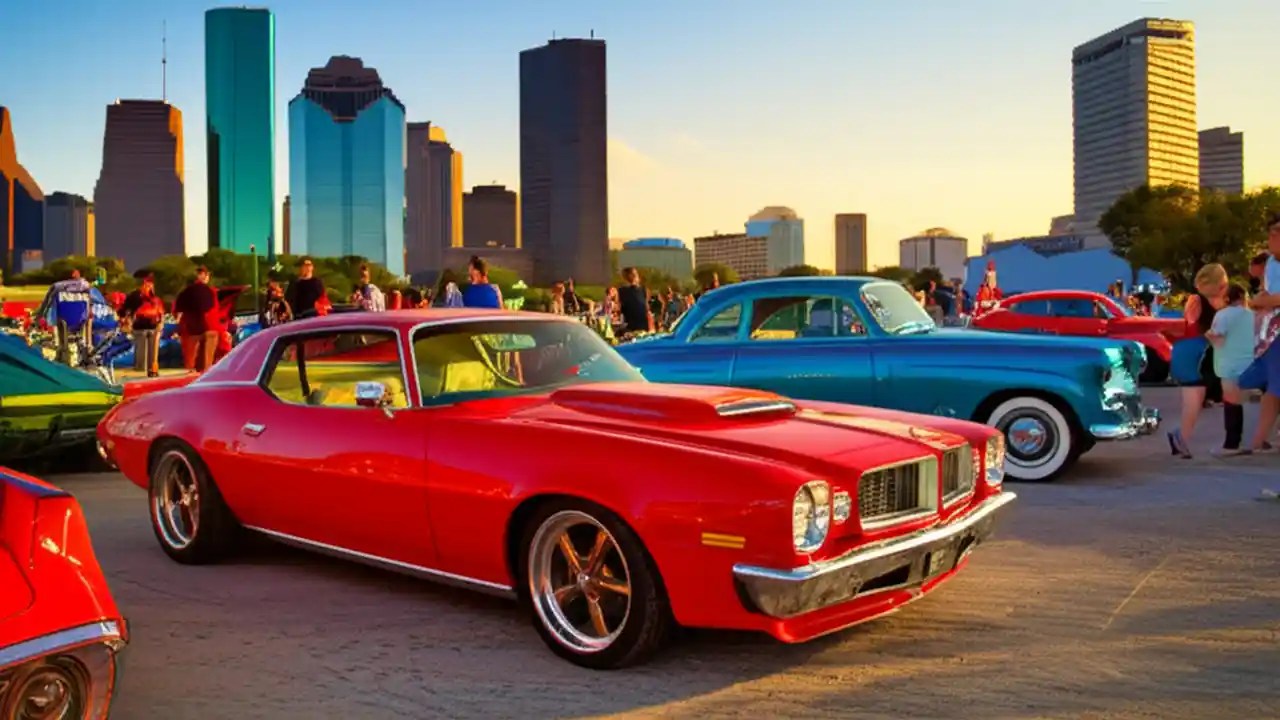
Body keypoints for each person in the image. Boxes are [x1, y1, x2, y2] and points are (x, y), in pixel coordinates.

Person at [1167, 263, 1230, 458]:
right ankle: (1181, 438)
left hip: (1190, 351)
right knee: (1194, 400)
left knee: (1194, 399)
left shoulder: (1201, 300)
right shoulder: (1206, 302)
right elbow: (1197, 325)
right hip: (1195, 352)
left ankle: (1180, 436)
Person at [1206, 284, 1256, 456]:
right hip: (1250, 363)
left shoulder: (1223, 315)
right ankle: (1256, 440)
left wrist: (1208, 336)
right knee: (1250, 402)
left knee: (1232, 403)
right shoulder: (1252, 315)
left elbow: (1217, 337)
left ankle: (1232, 444)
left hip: (1229, 365)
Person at [1247, 214, 1280, 454]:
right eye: (1271, 232)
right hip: (1271, 334)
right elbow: (1262, 295)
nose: (1273, 237)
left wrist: (1266, 300)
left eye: (1277, 232)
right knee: (1273, 386)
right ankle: (1259, 439)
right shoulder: (1271, 264)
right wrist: (1261, 300)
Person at [36, 269, 94, 365]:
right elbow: (91, 302)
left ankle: (62, 348)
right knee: (89, 316)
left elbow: (47, 302)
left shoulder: (57, 286)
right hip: (81, 319)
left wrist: (40, 315)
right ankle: (89, 347)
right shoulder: (85, 285)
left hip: (64, 319)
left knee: (59, 316)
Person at [172, 265, 219, 372]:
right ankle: (206, 374)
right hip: (209, 327)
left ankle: (192, 372)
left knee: (191, 362)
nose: (208, 277)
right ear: (201, 275)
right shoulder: (211, 291)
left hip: (192, 330)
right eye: (207, 275)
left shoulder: (185, 292)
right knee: (207, 363)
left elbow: (177, 310)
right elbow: (214, 310)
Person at [120, 271, 165, 377]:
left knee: (149, 351)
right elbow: (126, 311)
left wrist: (161, 323)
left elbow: (161, 312)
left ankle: (151, 369)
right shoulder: (137, 297)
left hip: (150, 326)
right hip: (142, 326)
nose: (148, 285)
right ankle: (145, 369)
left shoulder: (154, 299)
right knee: (144, 350)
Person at [617, 267, 651, 335]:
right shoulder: (622, 290)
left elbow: (647, 308)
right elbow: (619, 308)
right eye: (634, 274)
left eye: (635, 274)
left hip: (643, 325)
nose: (635, 276)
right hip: (630, 325)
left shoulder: (643, 290)